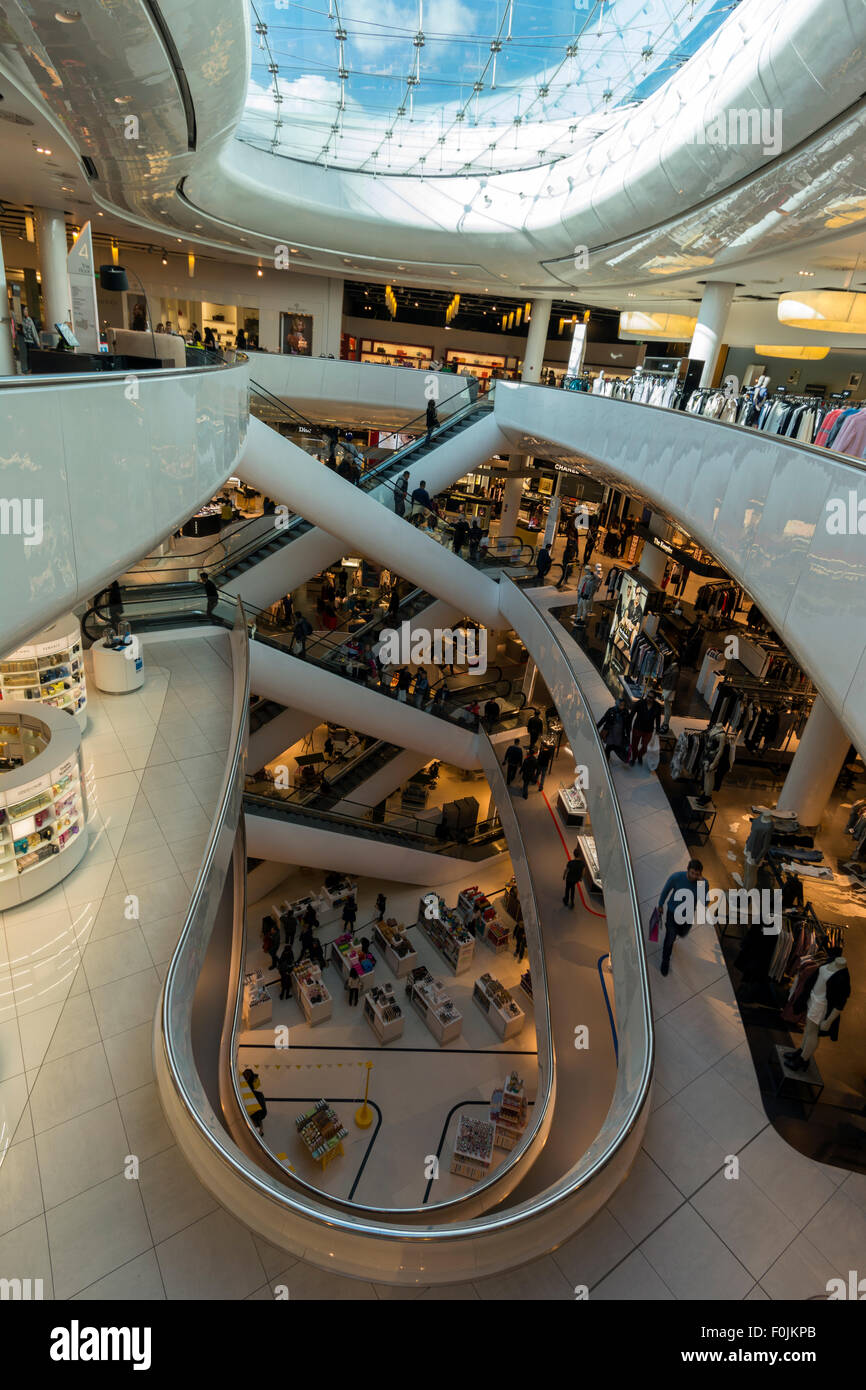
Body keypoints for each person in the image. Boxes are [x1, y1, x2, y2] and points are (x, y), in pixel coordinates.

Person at [657, 858, 708, 977]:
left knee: (682, 933)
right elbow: (666, 891)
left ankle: (673, 934)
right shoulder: (676, 877)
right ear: (687, 870)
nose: (694, 876)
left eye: (697, 874)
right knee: (670, 938)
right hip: (673, 912)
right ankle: (665, 961)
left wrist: (701, 886)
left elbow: (704, 903)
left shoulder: (703, 883)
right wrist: (660, 904)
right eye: (692, 873)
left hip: (687, 916)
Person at [629, 686, 662, 765]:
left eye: (651, 697)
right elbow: (632, 714)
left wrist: (657, 729)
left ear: (654, 699)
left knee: (645, 747)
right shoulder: (640, 703)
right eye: (648, 696)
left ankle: (639, 755)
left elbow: (658, 718)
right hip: (637, 728)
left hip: (648, 730)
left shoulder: (657, 706)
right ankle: (633, 758)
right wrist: (629, 725)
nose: (648, 698)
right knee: (634, 746)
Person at [597, 696, 632, 765]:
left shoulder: (625, 712)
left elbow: (628, 724)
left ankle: (624, 758)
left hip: (619, 734)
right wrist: (597, 726)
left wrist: (628, 735)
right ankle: (606, 761)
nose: (622, 706)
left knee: (618, 747)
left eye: (623, 705)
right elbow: (604, 719)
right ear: (617, 704)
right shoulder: (611, 710)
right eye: (621, 705)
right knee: (609, 747)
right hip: (610, 732)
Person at [242, 1069, 267, 1134]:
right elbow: (263, 1113)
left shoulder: (239, 1093)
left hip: (250, 1126)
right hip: (253, 1126)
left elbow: (262, 1113)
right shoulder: (258, 1095)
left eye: (247, 1075)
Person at [660, 661, 680, 733]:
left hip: (669, 690)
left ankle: (666, 723)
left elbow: (673, 684)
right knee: (666, 706)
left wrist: (667, 694)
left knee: (668, 707)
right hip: (666, 688)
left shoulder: (675, 671)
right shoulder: (672, 667)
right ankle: (665, 722)